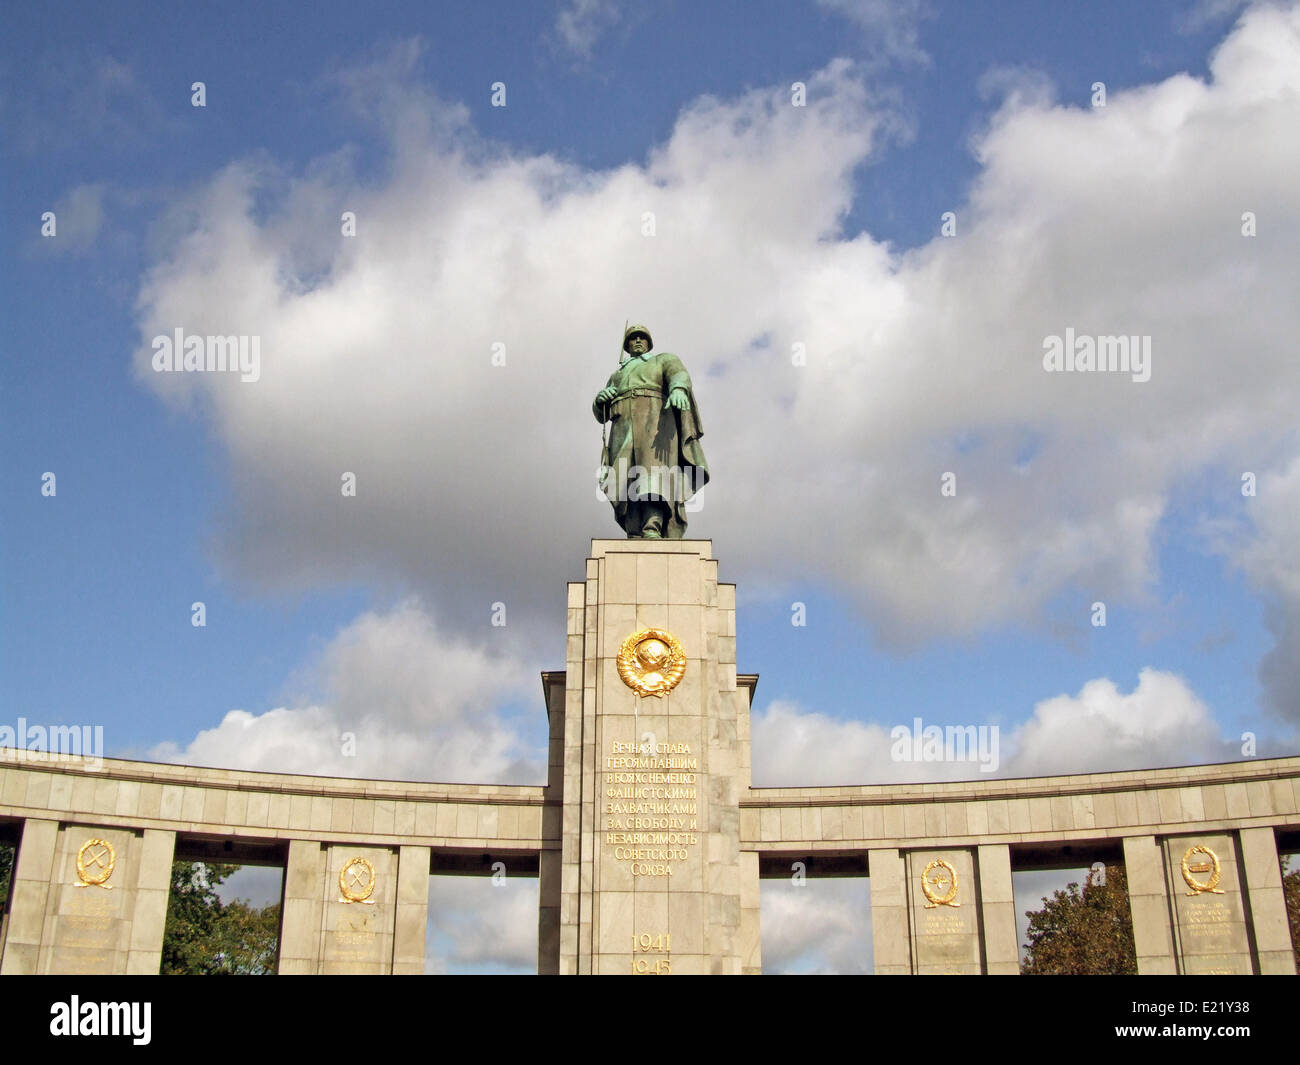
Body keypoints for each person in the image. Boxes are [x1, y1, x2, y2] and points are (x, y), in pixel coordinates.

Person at [593, 324, 709, 538]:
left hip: (655, 424)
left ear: (649, 343)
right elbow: (602, 415)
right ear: (627, 345)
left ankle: (652, 526)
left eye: (642, 337)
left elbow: (679, 374)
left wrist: (678, 389)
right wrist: (600, 401)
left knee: (652, 476)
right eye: (633, 338)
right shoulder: (617, 374)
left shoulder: (663, 359)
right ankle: (634, 529)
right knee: (624, 478)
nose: (637, 340)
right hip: (623, 427)